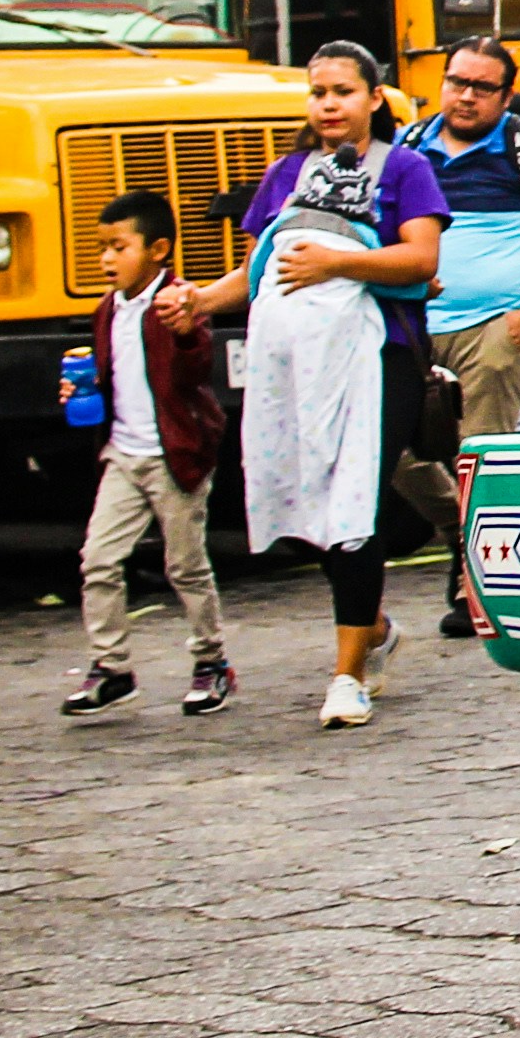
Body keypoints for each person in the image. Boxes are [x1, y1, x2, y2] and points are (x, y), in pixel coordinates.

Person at [160, 44, 444, 730]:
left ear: (375, 98)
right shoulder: (286, 172)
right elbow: (262, 269)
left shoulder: (404, 168)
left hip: (381, 357)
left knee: (355, 503)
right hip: (293, 363)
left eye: (343, 91)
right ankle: (371, 625)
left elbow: (421, 259)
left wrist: (340, 264)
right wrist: (198, 302)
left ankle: (348, 675)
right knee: (297, 504)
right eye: (318, 92)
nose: (328, 104)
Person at [410, 38, 520, 639]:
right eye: (458, 81)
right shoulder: (408, 149)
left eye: (482, 87)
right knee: (397, 454)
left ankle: (475, 585)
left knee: (481, 457)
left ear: (505, 96)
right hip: (413, 328)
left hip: (497, 326)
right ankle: (461, 536)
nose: (466, 96)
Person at [60, 190, 235, 721]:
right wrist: (81, 390)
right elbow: (111, 375)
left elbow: (195, 369)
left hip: (174, 454)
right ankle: (111, 668)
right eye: (102, 248)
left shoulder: (179, 301)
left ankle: (212, 662)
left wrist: (185, 335)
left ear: (158, 249)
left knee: (185, 566)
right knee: (98, 560)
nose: (106, 259)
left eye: (119, 246)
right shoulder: (107, 309)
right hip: (123, 452)